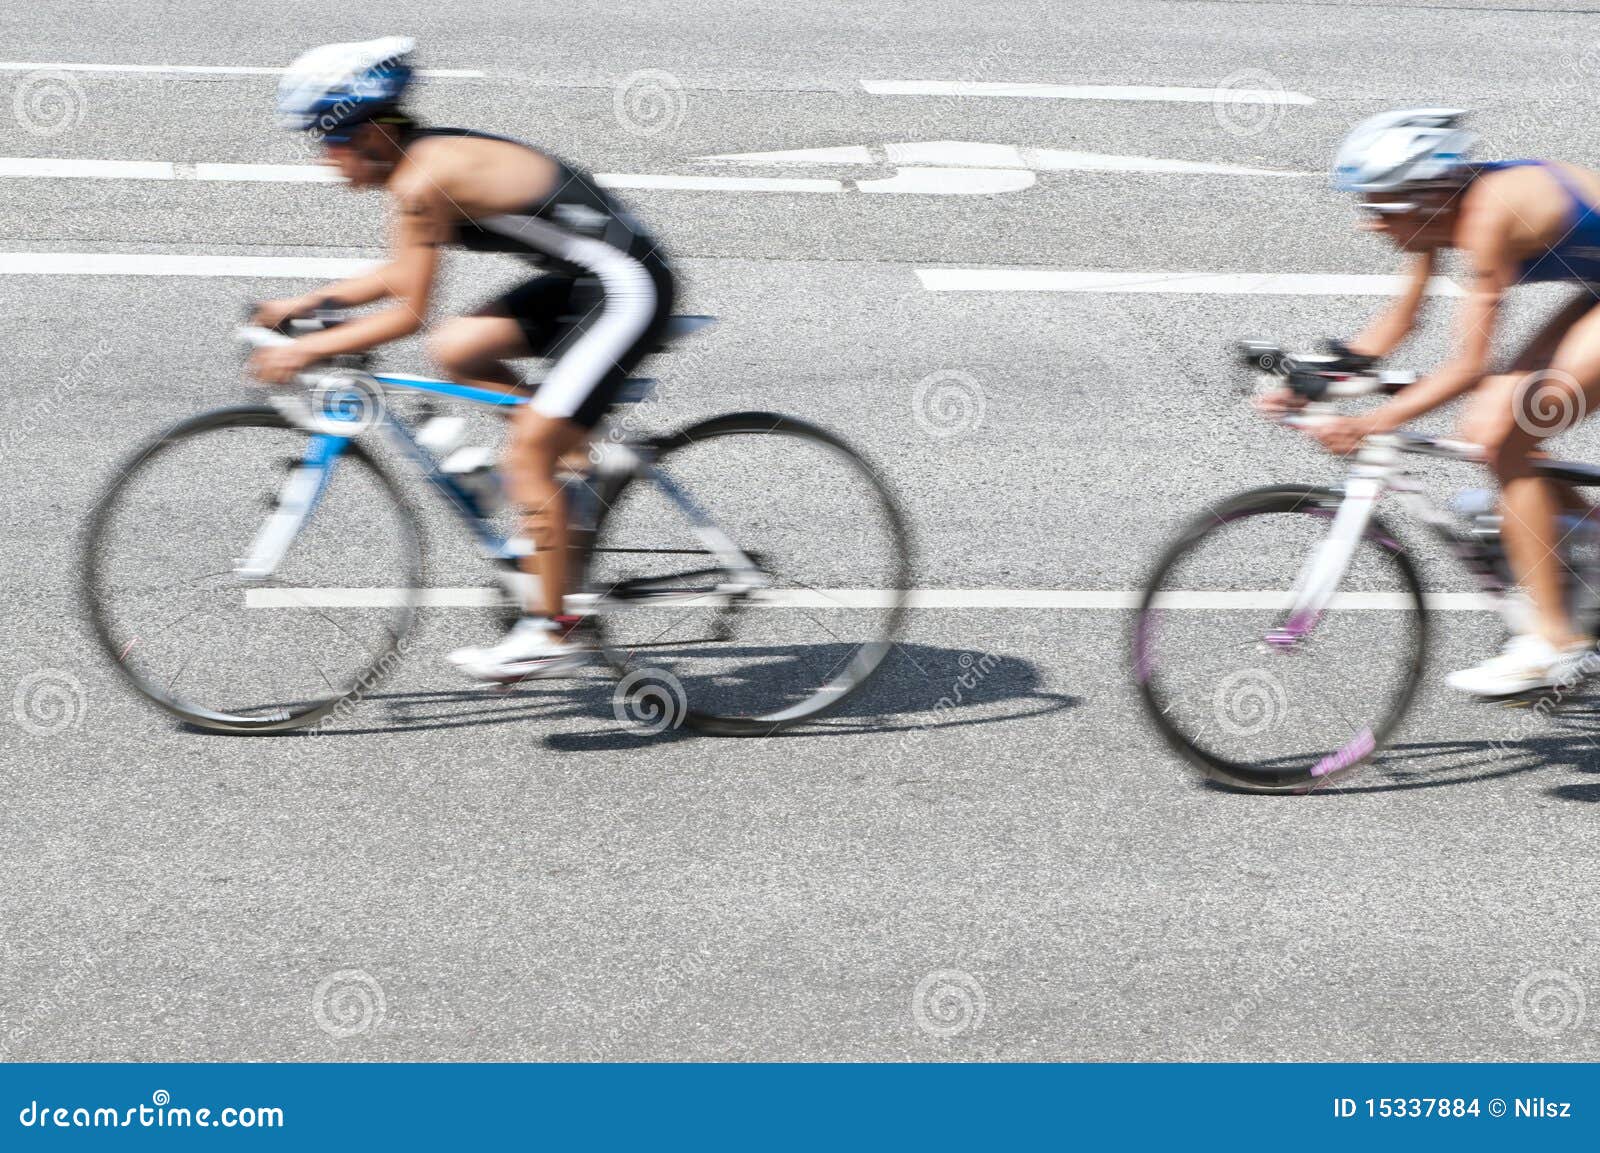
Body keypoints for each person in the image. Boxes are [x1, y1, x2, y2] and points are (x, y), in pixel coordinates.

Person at [250, 37, 676, 681]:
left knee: (525, 452)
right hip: (586, 278)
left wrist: (309, 343)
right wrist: (306, 304)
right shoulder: (416, 164)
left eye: (327, 142)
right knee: (458, 346)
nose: (325, 161)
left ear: (367, 134)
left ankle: (550, 628)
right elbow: (402, 273)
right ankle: (571, 470)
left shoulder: (425, 179)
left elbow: (407, 309)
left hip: (626, 289)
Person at [1273, 108, 1600, 696]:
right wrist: (1311, 378)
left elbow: (1469, 364)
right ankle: (1577, 546)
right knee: (1490, 429)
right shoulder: (1438, 215)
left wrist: (1374, 421)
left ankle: (1554, 645)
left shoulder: (1490, 215)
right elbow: (1402, 319)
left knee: (1505, 435)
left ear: (1428, 194)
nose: (1369, 224)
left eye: (1380, 206)